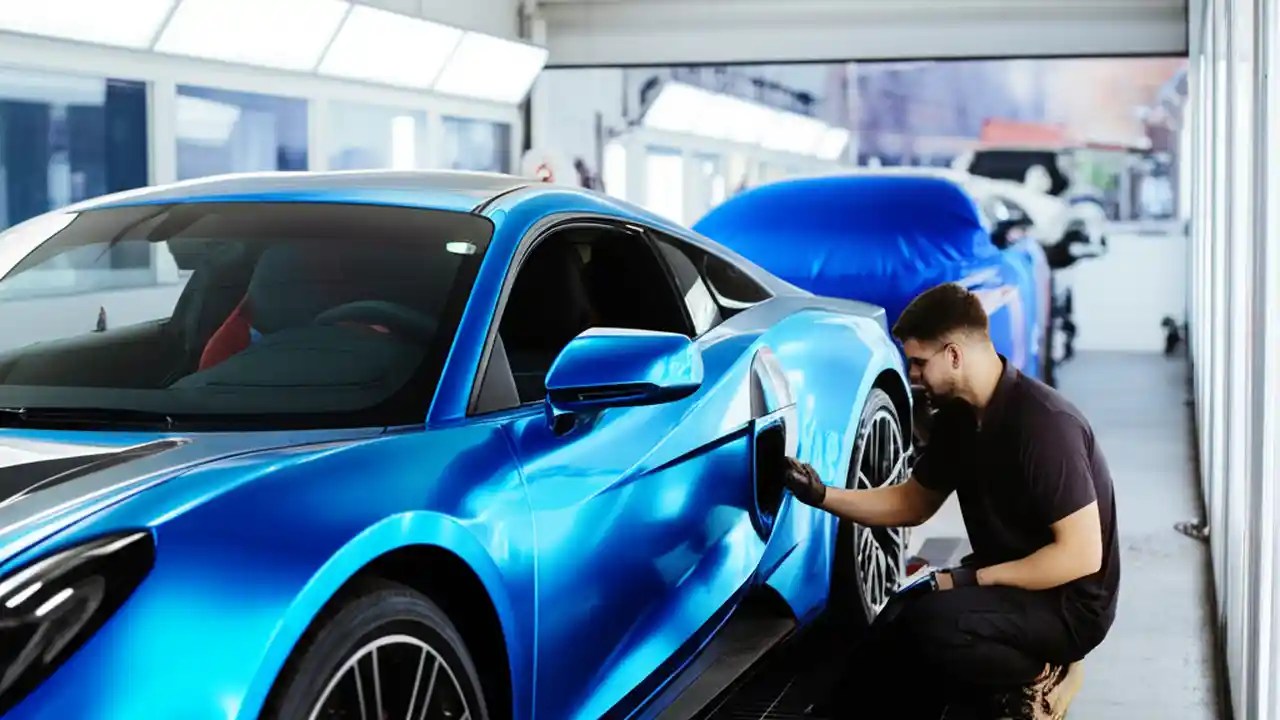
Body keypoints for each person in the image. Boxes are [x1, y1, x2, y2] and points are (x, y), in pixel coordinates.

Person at [784, 282, 1120, 719]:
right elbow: (912, 503)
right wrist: (821, 494)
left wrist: (969, 580)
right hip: (1013, 585)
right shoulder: (960, 420)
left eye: (920, 363)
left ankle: (1040, 675)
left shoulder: (1043, 426)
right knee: (896, 620)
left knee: (936, 626)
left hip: (1068, 605)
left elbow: (1080, 555)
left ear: (955, 355)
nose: (914, 375)